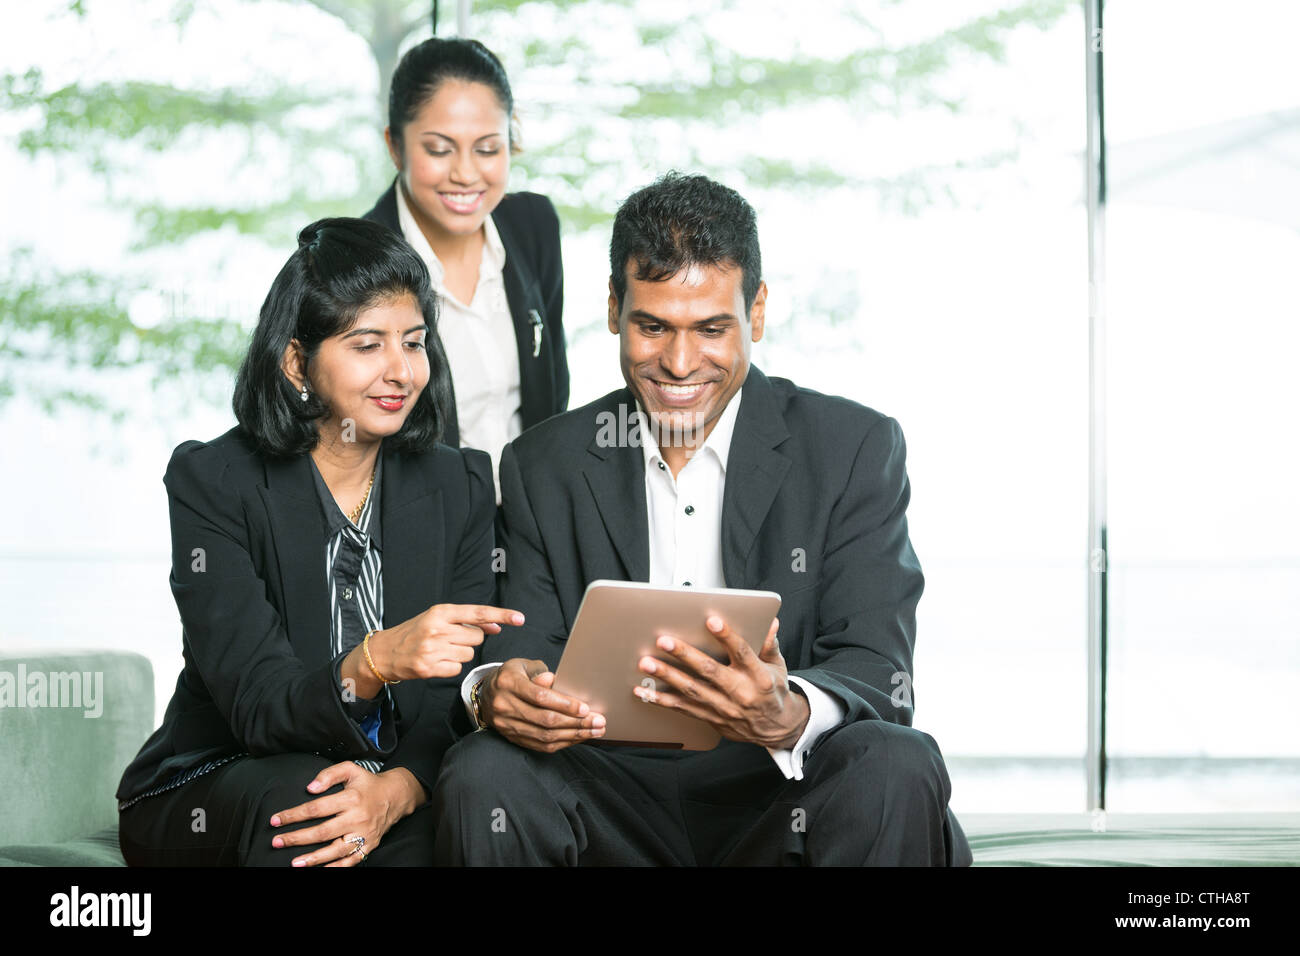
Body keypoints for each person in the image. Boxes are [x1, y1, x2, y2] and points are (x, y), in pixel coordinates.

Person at [432, 173, 973, 866]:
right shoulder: (544, 462)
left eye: (711, 328)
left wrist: (790, 713)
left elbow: (876, 667)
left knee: (896, 760)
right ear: (612, 310)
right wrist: (495, 693)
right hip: (608, 791)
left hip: (779, 789)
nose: (680, 363)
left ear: (759, 311)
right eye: (652, 326)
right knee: (485, 770)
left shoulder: (852, 447)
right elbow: (518, 649)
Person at [116, 217, 523, 866]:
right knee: (311, 803)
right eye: (367, 345)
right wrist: (377, 660)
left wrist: (398, 789)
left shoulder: (462, 483)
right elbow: (257, 704)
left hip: (386, 781)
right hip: (225, 773)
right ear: (297, 361)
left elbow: (457, 692)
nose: (400, 372)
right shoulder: (213, 482)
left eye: (413, 343)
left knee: (468, 810)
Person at [363, 36, 567, 492]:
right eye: (439, 149)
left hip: (532, 526)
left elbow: (552, 392)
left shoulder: (533, 225)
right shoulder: (357, 263)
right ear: (395, 146)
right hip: (426, 534)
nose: (466, 174)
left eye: (488, 149)